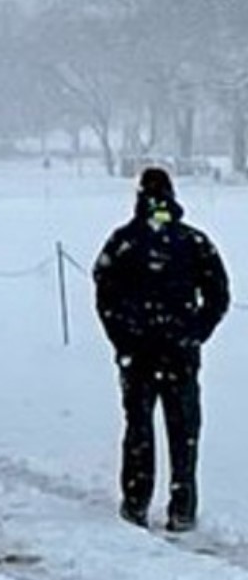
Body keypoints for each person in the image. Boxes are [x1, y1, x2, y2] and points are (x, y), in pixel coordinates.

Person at [93, 167, 229, 532]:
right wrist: (194, 333)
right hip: (177, 353)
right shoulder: (192, 241)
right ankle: (182, 507)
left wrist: (123, 337)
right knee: (183, 432)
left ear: (139, 196)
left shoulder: (124, 242)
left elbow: (104, 294)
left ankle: (136, 503)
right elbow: (218, 293)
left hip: (140, 354)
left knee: (139, 430)